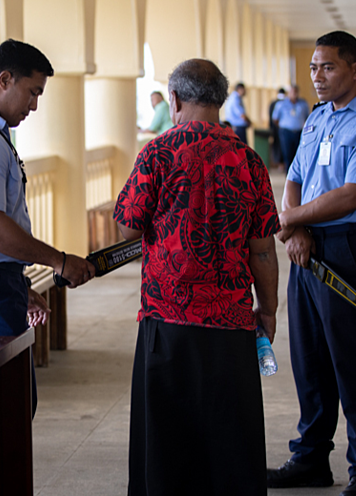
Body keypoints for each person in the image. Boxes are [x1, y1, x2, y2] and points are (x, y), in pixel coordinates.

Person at [115, 59, 280, 496]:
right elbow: (263, 249)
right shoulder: (249, 160)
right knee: (230, 436)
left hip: (168, 318)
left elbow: (128, 227)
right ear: (221, 99)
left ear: (173, 99)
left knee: (167, 436)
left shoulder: (157, 153)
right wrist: (267, 309)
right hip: (231, 321)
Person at [269, 31, 356, 496]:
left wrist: (289, 220)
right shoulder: (317, 117)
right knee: (309, 359)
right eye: (313, 67)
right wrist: (297, 229)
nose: (317, 77)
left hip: (347, 248)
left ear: (355, 69)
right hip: (306, 247)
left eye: (327, 67)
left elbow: (353, 194)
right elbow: (294, 178)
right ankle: (311, 458)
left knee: (352, 362)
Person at [0, 40, 96, 411]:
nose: (34, 105)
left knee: (12, 399)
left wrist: (17, 284)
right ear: (5, 79)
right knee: (6, 404)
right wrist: (58, 261)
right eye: (32, 92)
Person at [272, 85, 310, 169]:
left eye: (295, 92)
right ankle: (288, 173)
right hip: (286, 132)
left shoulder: (303, 104)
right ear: (288, 93)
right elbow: (275, 119)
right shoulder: (281, 104)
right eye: (292, 92)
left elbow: (307, 117)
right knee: (287, 154)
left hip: (299, 131)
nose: (294, 94)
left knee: (298, 154)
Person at [268, 87, 286, 166]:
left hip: (281, 129)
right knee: (277, 145)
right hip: (276, 129)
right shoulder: (275, 104)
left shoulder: (285, 103)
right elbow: (272, 118)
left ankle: (281, 162)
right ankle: (278, 162)